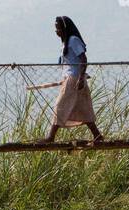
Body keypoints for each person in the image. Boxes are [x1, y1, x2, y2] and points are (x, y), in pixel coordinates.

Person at [42, 15, 103, 145]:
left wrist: (81, 77)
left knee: (60, 106)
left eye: (58, 28)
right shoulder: (65, 42)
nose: (56, 32)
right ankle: (97, 135)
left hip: (74, 79)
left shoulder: (73, 40)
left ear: (64, 28)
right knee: (83, 108)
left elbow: (83, 59)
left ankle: (50, 137)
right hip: (71, 78)